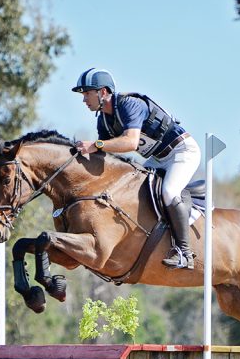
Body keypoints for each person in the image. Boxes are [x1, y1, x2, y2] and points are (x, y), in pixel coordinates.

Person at [73, 68, 201, 270]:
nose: (84, 100)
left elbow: (131, 142)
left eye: (87, 93)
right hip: (157, 158)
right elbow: (105, 157)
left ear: (103, 92)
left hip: (181, 151)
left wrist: (95, 145)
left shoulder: (129, 104)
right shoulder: (103, 120)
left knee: (168, 192)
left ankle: (185, 253)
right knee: (135, 192)